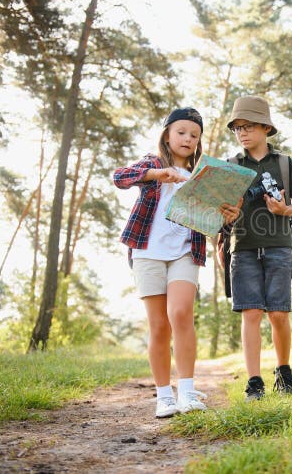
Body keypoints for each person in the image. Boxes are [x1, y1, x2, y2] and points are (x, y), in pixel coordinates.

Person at [113, 107, 241, 418]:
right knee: (159, 326)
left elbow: (215, 222)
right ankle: (164, 397)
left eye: (194, 135)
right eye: (181, 132)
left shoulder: (204, 176)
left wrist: (229, 216)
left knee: (181, 314)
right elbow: (120, 177)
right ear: (167, 135)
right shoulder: (152, 164)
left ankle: (187, 392)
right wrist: (156, 175)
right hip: (147, 252)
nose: (187, 139)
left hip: (185, 252)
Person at [218, 95, 292, 401]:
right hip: (242, 248)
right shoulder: (230, 166)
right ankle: (254, 382)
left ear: (265, 128)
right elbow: (219, 213)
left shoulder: (284, 163)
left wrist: (284, 210)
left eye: (248, 126)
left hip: (279, 247)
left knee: (279, 314)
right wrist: (227, 221)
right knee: (251, 313)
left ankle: (284, 372)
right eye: (237, 128)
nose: (242, 133)